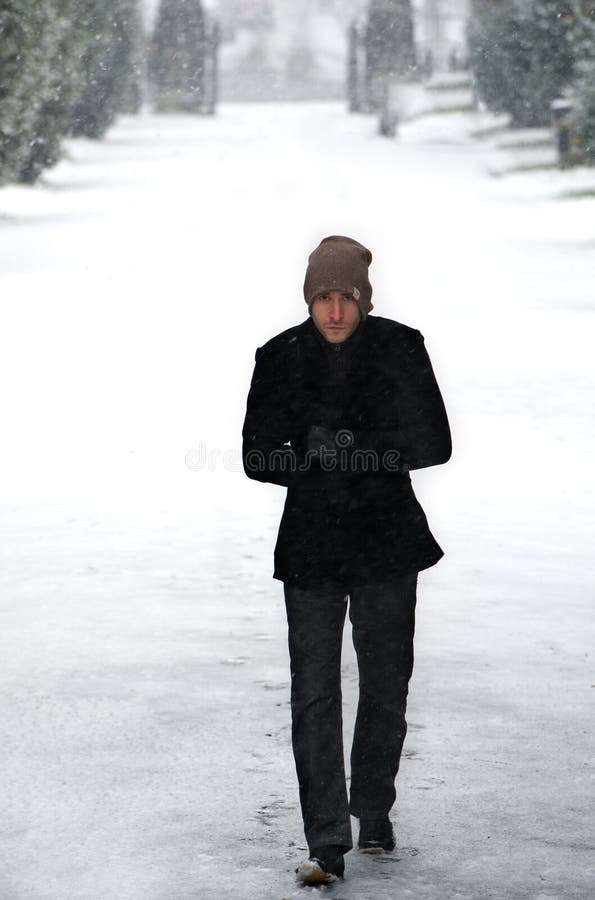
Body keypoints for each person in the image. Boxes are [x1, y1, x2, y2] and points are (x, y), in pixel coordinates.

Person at [242, 235, 451, 885]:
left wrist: (356, 448)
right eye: (323, 298)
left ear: (364, 300)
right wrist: (311, 455)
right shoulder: (279, 356)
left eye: (346, 298)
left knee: (386, 684)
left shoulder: (399, 348)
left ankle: (374, 806)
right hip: (312, 546)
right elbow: (255, 454)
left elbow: (435, 443)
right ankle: (326, 839)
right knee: (313, 692)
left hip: (387, 542)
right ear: (309, 300)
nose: (334, 311)